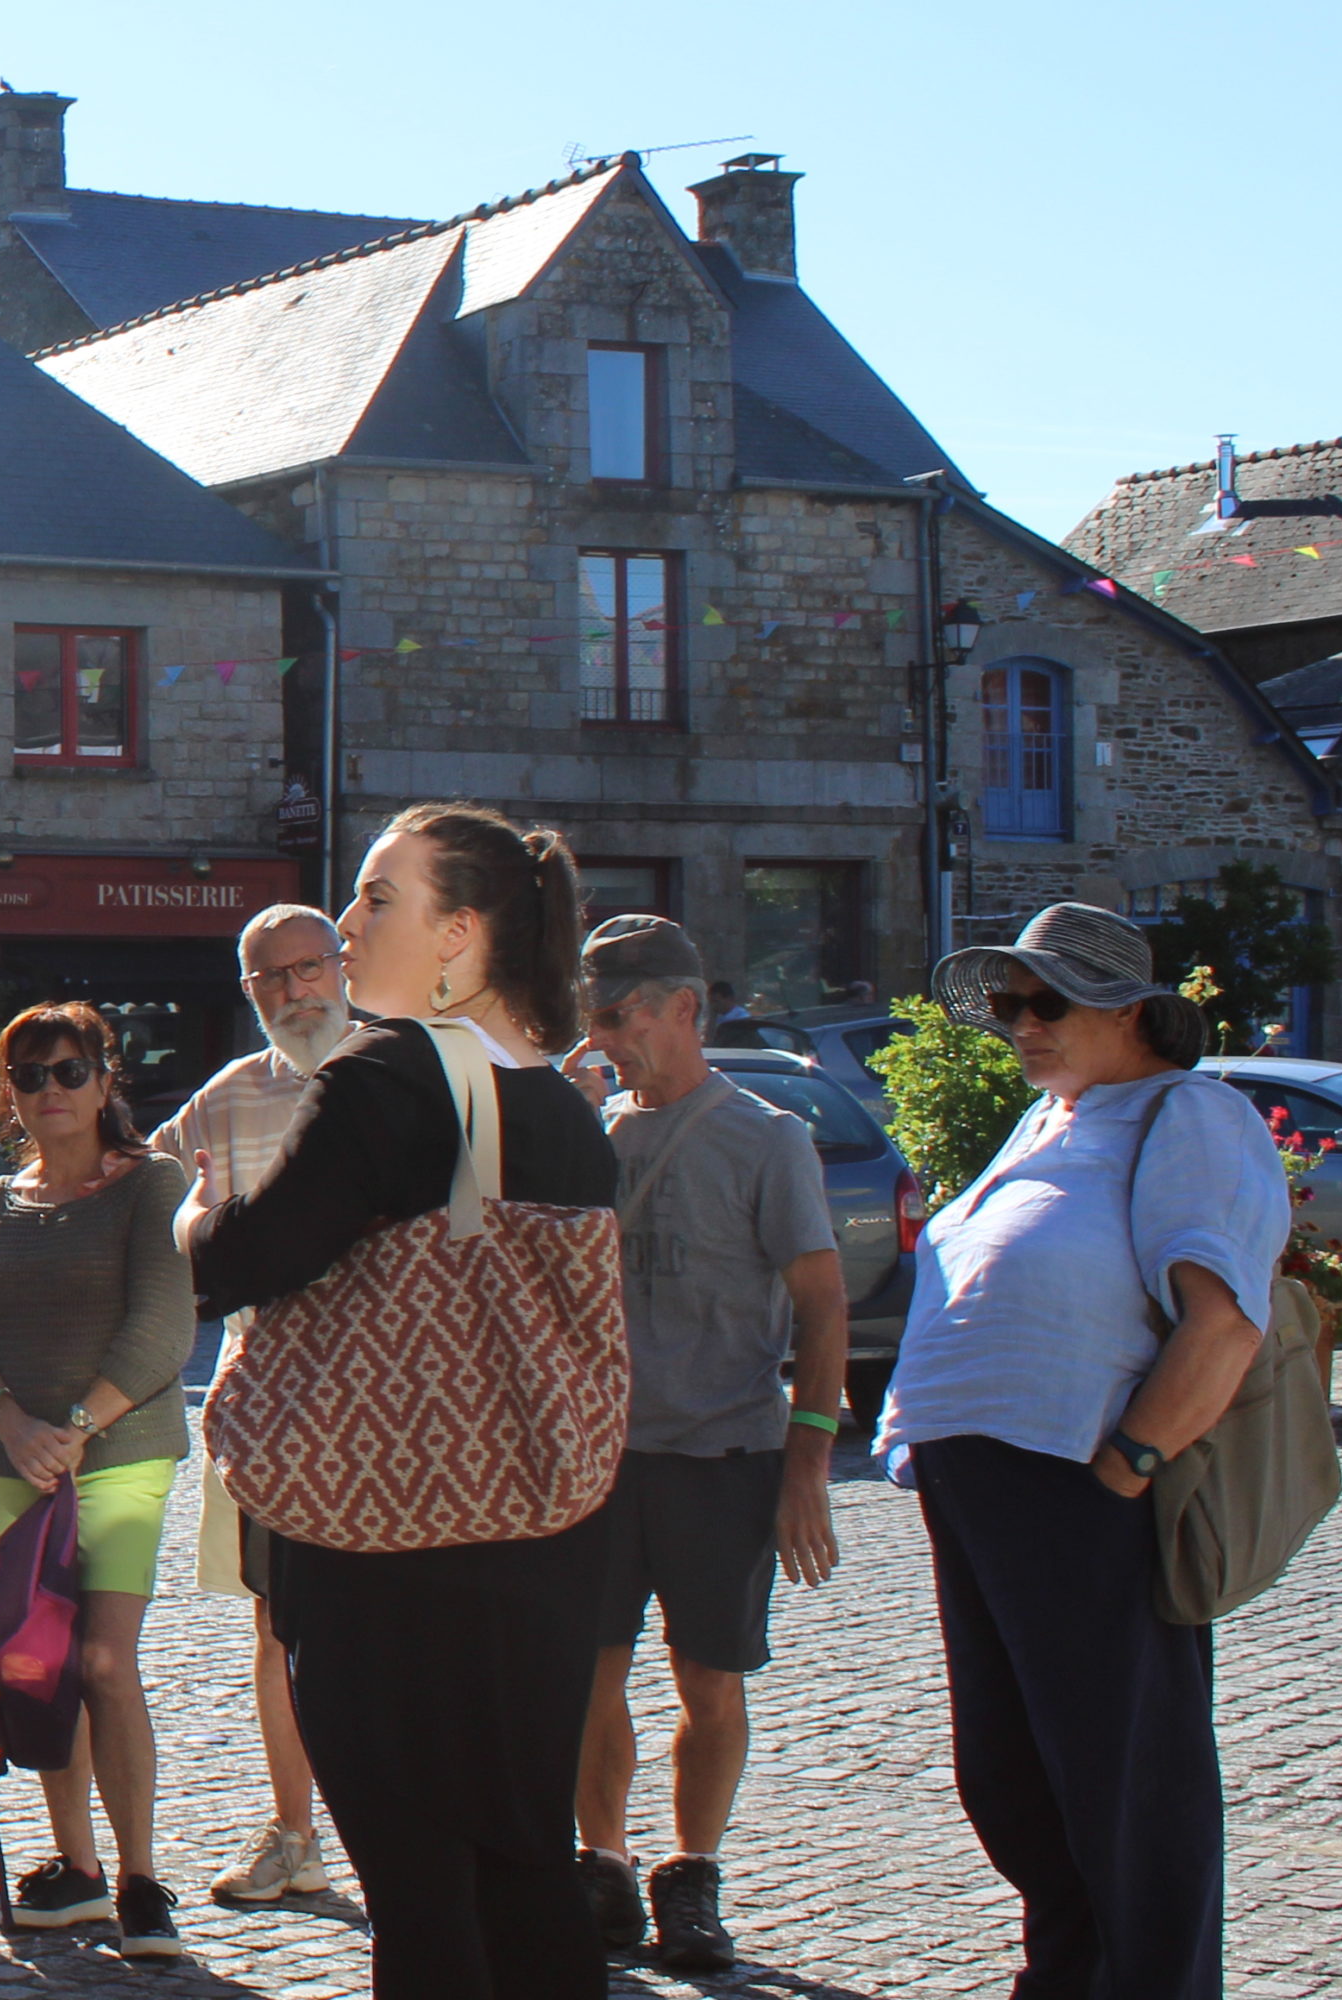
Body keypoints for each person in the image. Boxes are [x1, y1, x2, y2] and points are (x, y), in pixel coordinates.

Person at [189, 802, 620, 1999]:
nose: (345, 921)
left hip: (387, 1538)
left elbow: (242, 1257)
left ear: (459, 933)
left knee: (418, 1883)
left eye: (378, 896)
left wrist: (187, 1218)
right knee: (522, 1861)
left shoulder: (387, 1077)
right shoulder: (558, 1107)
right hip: (536, 1531)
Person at [876, 902, 1283, 2000]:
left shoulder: (1186, 1110)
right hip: (977, 1480)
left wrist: (1127, 1465)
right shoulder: (1052, 1115)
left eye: (1043, 1000)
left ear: (1130, 1011)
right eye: (1007, 1003)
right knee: (1009, 1779)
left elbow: (1222, 1319)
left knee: (1124, 1783)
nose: (1018, 1023)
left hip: (1076, 1478)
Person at [566, 916, 851, 1973]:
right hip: (598, 1458)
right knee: (589, 1674)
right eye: (591, 1019)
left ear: (685, 1007)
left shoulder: (764, 1135)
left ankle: (688, 1873)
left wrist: (806, 1462)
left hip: (722, 1450)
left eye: (619, 1017)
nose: (603, 1040)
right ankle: (599, 1862)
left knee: (708, 1678)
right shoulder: (587, 1130)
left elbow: (821, 1305)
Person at [0, 1003, 202, 1962]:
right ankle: (77, 1871)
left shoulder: (151, 1187)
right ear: (7, 1095)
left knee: (103, 1657)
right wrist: (11, 1420)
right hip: (21, 1464)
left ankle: (142, 1883)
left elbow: (161, 1330)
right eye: (28, 1077)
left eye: (66, 1071)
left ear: (104, 1080)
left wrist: (77, 1426)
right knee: (41, 1662)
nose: (48, 1090)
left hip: (123, 1454)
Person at [145, 905, 351, 1906]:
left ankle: (419, 1839)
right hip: (268, 1406)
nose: (292, 990)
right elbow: (136, 1189)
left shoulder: (405, 1074)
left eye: (307, 967)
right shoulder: (227, 1097)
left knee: (397, 1628)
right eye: (269, 977)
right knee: (276, 1627)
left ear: (340, 966)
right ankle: (292, 1831)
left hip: (390, 1411)